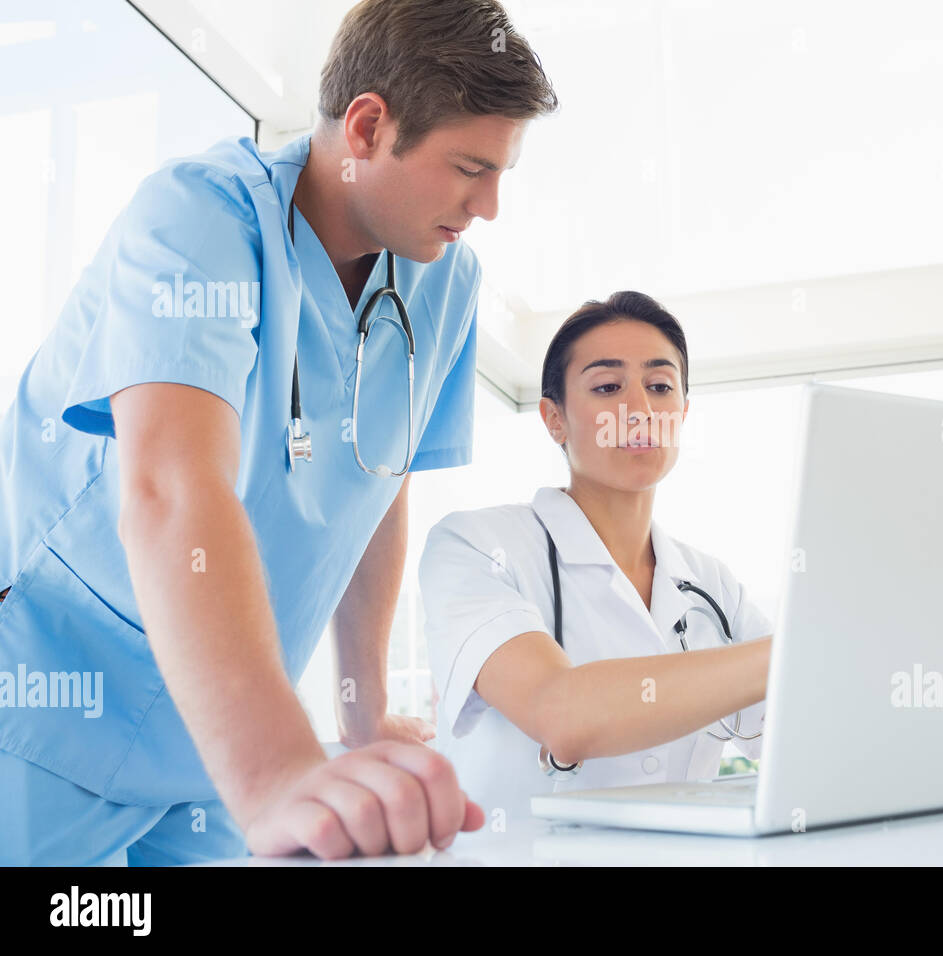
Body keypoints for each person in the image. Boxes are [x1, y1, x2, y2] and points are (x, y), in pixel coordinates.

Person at [0, 0, 557, 865]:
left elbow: (378, 483)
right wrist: (275, 773)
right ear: (368, 126)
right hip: (48, 716)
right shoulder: (198, 218)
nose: (487, 205)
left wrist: (361, 709)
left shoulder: (444, 282)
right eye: (469, 167)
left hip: (215, 754)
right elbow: (172, 485)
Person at [419, 291, 773, 821]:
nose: (639, 410)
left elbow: (806, 728)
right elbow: (561, 714)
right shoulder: (474, 545)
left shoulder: (711, 586)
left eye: (659, 387)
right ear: (554, 419)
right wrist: (794, 654)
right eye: (608, 387)